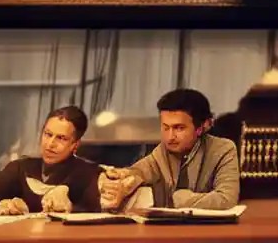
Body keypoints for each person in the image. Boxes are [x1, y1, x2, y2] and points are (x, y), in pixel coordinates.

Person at [99, 89, 239, 210]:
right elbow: (140, 170)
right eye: (165, 127)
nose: (170, 137)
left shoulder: (223, 149)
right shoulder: (163, 151)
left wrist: (177, 199)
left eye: (179, 128)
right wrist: (124, 180)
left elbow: (226, 199)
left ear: (202, 126)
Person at [0, 106, 103, 214]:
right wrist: (5, 206)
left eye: (61, 138)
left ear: (75, 145)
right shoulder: (21, 168)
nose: (50, 144)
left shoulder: (89, 174)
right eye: (48, 135)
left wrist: (70, 208)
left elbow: (97, 212)